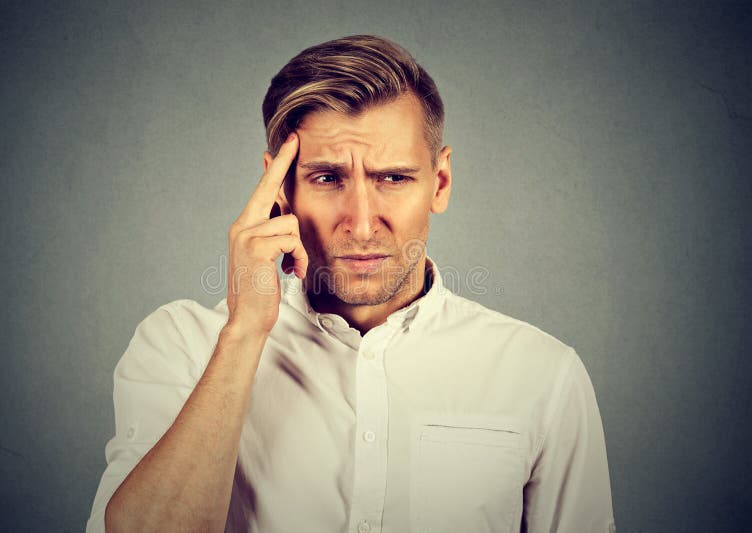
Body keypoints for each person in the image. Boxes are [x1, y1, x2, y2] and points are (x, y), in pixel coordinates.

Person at [86, 35, 615, 533]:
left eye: (394, 178)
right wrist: (245, 332)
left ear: (441, 182)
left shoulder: (544, 375)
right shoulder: (181, 345)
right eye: (327, 178)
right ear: (280, 190)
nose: (361, 224)